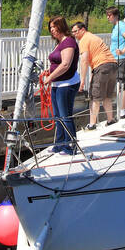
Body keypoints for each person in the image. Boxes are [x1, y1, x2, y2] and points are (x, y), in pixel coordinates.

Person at [41, 16, 80, 154]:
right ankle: (59, 144)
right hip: (57, 84)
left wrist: (50, 77)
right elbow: (57, 63)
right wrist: (49, 71)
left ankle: (70, 145)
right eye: (50, 27)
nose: (52, 30)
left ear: (61, 26)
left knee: (65, 116)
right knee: (58, 116)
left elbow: (65, 64)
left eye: (54, 27)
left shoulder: (68, 41)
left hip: (67, 84)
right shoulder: (59, 43)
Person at [71, 21, 117, 129]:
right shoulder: (94, 37)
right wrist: (93, 73)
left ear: (82, 30)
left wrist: (82, 80)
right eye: (72, 32)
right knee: (107, 96)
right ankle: (110, 120)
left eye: (76, 31)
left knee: (94, 96)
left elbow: (84, 60)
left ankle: (92, 124)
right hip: (113, 65)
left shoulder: (84, 40)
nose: (74, 34)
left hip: (102, 66)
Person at [106, 5, 125, 117]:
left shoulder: (121, 26)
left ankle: (122, 111)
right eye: (107, 15)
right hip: (118, 59)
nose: (108, 17)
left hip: (123, 59)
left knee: (121, 85)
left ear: (115, 15)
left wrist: (123, 51)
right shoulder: (115, 27)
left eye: (109, 15)